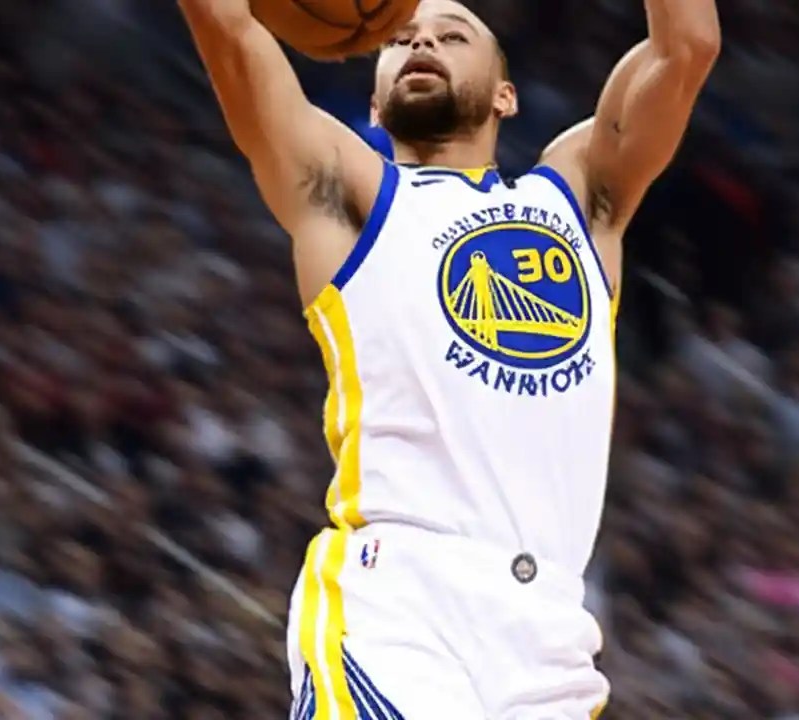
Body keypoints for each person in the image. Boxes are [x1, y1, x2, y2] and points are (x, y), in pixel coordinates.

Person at [175, 0, 719, 715]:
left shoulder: (580, 195)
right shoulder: (352, 194)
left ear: (505, 94)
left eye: (452, 34)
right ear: (374, 100)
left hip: (550, 632)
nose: (423, 40)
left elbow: (688, 47)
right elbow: (230, 29)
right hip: (401, 604)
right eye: (401, 38)